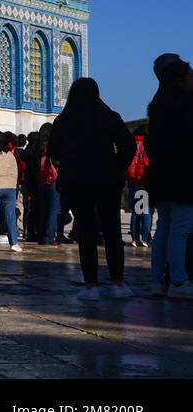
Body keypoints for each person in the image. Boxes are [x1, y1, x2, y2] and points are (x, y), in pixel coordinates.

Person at [47, 77, 136, 301]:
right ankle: (117, 283)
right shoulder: (109, 116)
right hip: (107, 181)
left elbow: (54, 152)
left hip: (77, 183)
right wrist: (116, 167)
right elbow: (128, 145)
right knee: (112, 231)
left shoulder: (64, 120)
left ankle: (91, 286)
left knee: (86, 232)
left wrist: (71, 161)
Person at [143, 54, 193, 299]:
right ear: (179, 79)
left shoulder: (158, 104)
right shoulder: (186, 106)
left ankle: (156, 280)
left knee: (164, 227)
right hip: (183, 176)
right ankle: (179, 281)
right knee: (181, 229)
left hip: (161, 175)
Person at [37, 123, 63, 245]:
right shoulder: (53, 144)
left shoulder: (38, 146)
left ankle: (42, 236)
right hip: (53, 179)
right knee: (53, 210)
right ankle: (49, 237)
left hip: (41, 180)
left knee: (43, 209)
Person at [125, 125, 151, 248]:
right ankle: (144, 238)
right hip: (144, 181)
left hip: (132, 181)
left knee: (135, 211)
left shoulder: (130, 144)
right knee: (145, 211)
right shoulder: (146, 144)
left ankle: (135, 239)